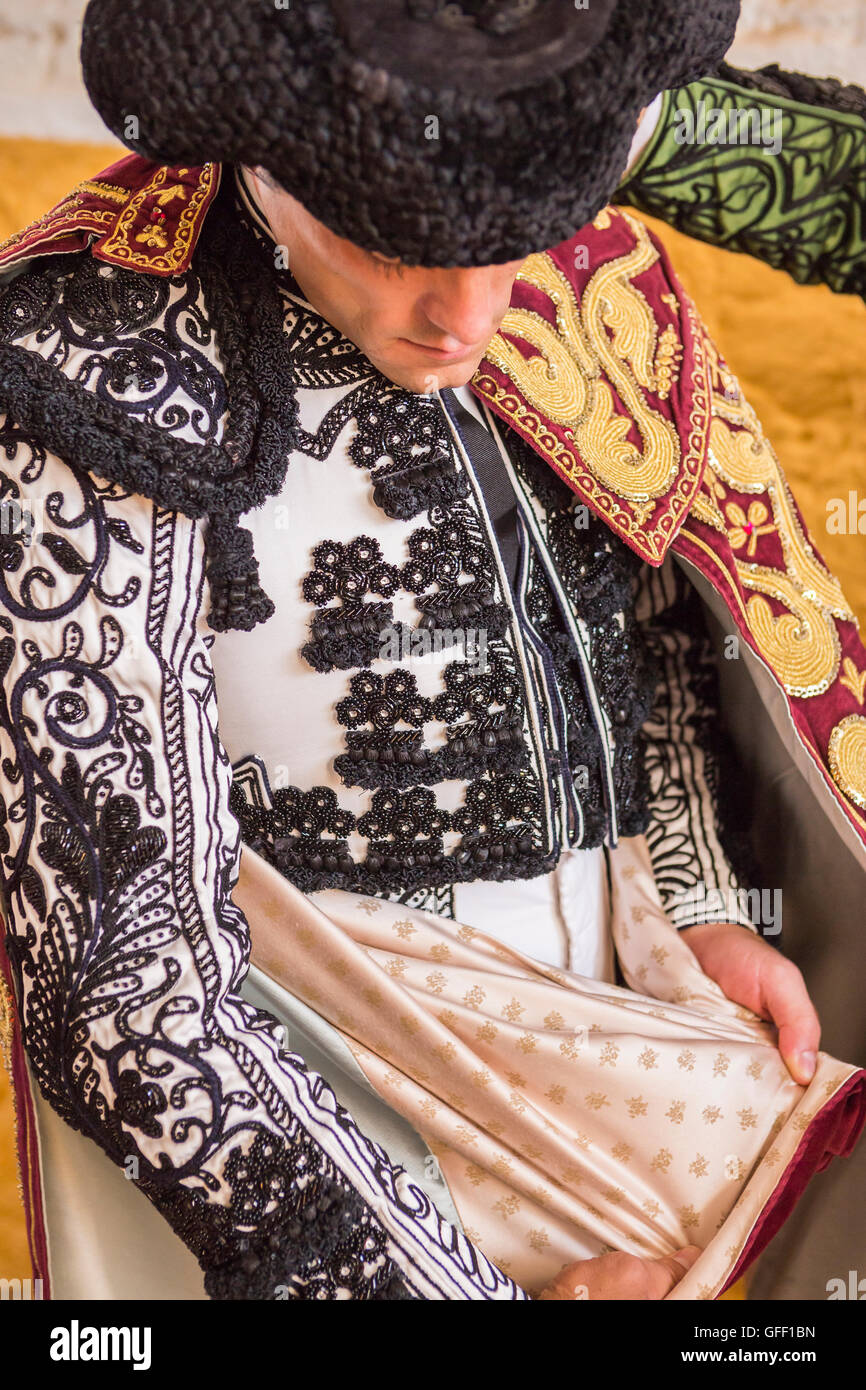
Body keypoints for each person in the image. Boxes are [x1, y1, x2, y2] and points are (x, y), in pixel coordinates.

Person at [0, 0, 864, 1302]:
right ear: (265, 154)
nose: (464, 316)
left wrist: (694, 908)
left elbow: (645, 611)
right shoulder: (88, 358)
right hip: (320, 1092)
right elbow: (129, 984)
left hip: (631, 1040)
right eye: (386, 239)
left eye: (514, 243)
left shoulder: (583, 270)